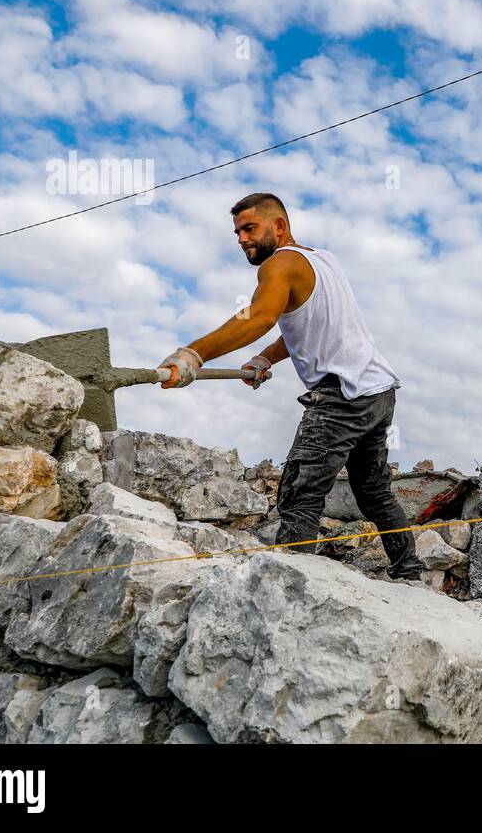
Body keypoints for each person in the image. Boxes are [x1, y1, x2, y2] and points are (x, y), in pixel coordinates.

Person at [156, 192, 421, 580]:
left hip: (341, 397)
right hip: (378, 391)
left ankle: (292, 588)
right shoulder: (323, 260)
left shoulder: (279, 265)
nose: (242, 239)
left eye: (250, 228)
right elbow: (304, 328)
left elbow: (259, 316)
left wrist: (193, 354)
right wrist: (265, 358)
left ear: (279, 227)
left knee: (300, 495)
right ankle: (409, 570)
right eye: (237, 232)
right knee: (373, 490)